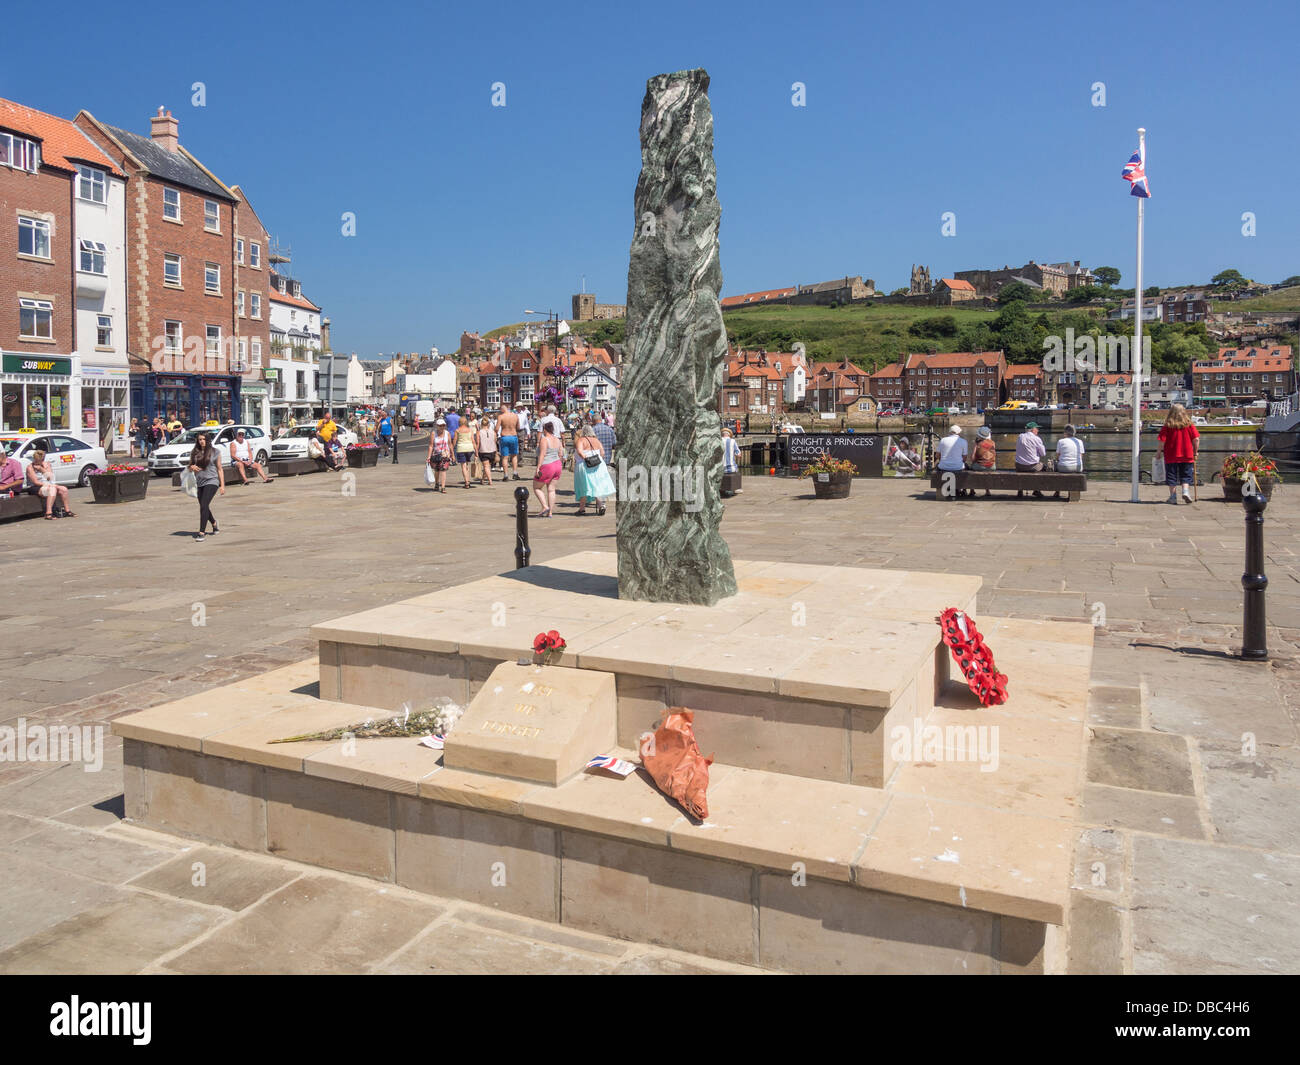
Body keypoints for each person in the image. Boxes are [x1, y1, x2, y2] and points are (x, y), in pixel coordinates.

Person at [1157, 403, 1200, 505]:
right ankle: (1185, 491)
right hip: (1187, 454)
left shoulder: (1167, 426)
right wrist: (1195, 451)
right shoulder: (1189, 425)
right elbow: (1196, 439)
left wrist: (1158, 452)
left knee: (1171, 476)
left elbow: (1162, 441)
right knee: (1186, 474)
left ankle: (1173, 496)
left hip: (1171, 454)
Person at [573, 418, 615, 516]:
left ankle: (582, 509)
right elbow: (603, 453)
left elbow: (579, 451)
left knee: (584, 486)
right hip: (598, 465)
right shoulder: (596, 440)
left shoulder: (581, 440)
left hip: (585, 465)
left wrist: (586, 458)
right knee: (597, 486)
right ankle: (601, 505)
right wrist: (596, 459)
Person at [188, 432, 224, 540]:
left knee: (203, 505)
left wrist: (222, 485)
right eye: (200, 439)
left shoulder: (215, 452)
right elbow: (190, 467)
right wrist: (192, 467)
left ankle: (201, 532)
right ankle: (214, 523)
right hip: (200, 482)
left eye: (203, 439)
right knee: (204, 506)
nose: (202, 441)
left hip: (212, 481)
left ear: (208, 440)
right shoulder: (195, 452)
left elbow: (219, 469)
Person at [25, 450, 74, 518]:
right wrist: (50, 485)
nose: (39, 462)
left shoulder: (47, 464)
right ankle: (49, 513)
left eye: (41, 460)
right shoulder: (30, 467)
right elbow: (35, 482)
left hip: (48, 485)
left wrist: (42, 469)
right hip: (35, 487)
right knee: (52, 489)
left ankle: (67, 510)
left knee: (64, 489)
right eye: (37, 460)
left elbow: (50, 478)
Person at [533, 420, 564, 518]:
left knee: (537, 487)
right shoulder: (557, 439)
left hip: (547, 465)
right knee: (551, 490)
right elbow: (560, 453)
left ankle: (544, 506)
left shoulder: (544, 439)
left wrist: (538, 467)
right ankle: (550, 512)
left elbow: (542, 454)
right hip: (557, 465)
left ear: (545, 430)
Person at [1015, 420, 1048, 498]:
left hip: (1019, 466)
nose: (1038, 430)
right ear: (1033, 429)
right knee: (1043, 467)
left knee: (1024, 466)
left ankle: (1020, 490)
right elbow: (1043, 454)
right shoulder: (1037, 439)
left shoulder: (1020, 436)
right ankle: (1037, 490)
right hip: (1032, 466)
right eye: (1037, 429)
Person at [496, 403, 521, 481]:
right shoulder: (515, 416)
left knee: (505, 457)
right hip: (513, 436)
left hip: (505, 436)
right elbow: (518, 427)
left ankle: (506, 475)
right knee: (514, 456)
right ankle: (515, 473)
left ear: (502, 410)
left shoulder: (501, 416)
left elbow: (496, 428)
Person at [426, 418, 452, 492]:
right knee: (437, 471)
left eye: (443, 425)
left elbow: (450, 444)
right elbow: (431, 446)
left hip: (445, 455)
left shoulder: (447, 433)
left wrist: (452, 454)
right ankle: (437, 484)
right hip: (436, 455)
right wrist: (429, 456)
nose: (442, 427)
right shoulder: (434, 433)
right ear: (437, 426)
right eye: (440, 425)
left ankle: (443, 487)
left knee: (443, 470)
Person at [452, 414, 477, 488]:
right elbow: (473, 441)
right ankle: (468, 479)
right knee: (467, 465)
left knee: (463, 466)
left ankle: (466, 482)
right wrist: (476, 452)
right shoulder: (470, 430)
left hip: (461, 449)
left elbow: (455, 441)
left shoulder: (457, 430)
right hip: (470, 449)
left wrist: (452, 450)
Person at [475, 415, 497, 486]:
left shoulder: (479, 432)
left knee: (486, 466)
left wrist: (476, 452)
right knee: (487, 466)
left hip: (483, 451)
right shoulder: (493, 432)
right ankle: (483, 479)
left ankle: (490, 480)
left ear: (481, 424)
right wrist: (496, 452)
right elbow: (495, 441)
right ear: (488, 424)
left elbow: (478, 443)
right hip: (492, 451)